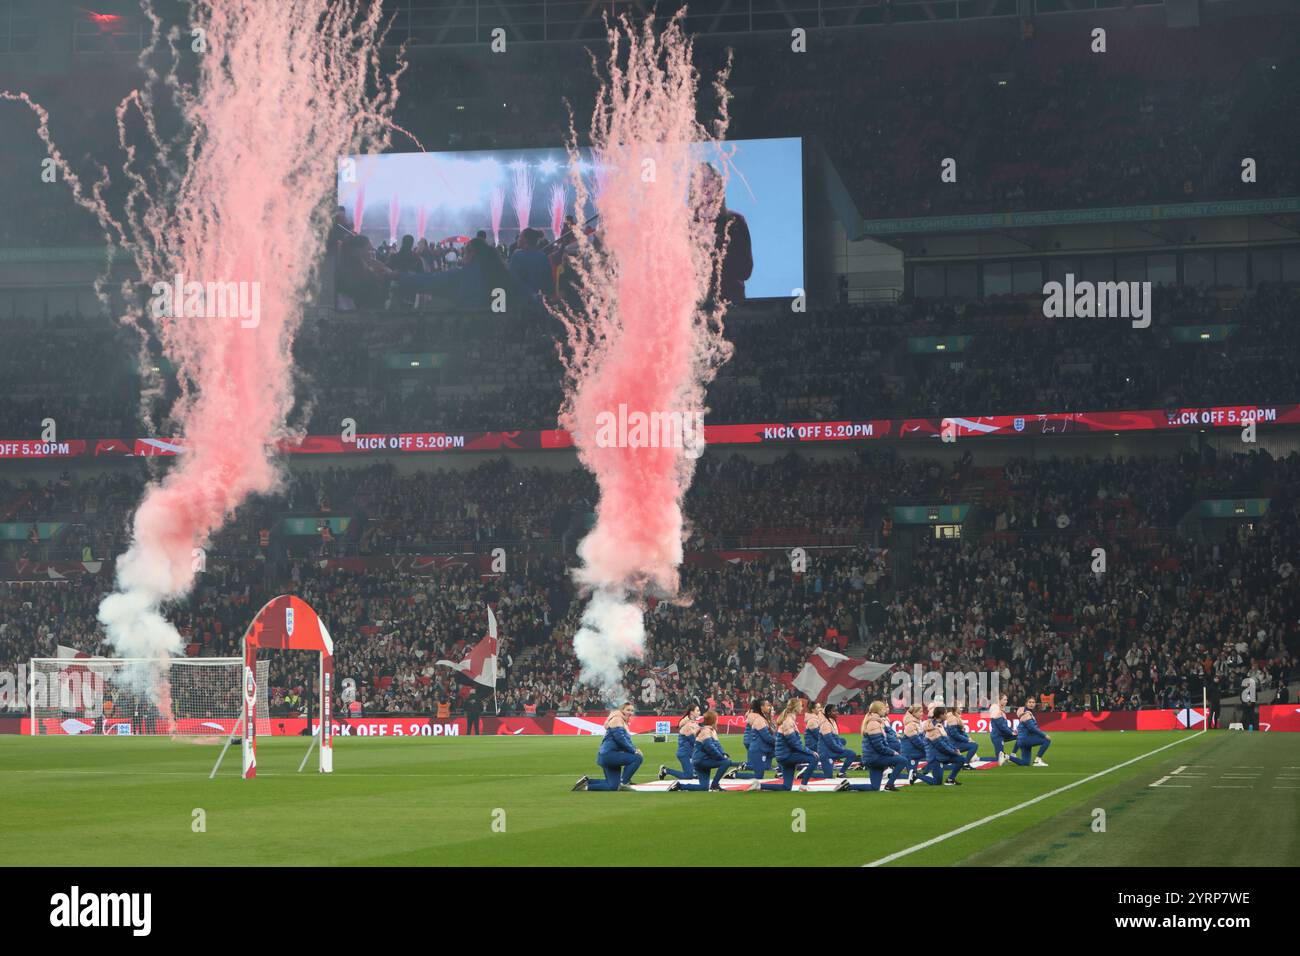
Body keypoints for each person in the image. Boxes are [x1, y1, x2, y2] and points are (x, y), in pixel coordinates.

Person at [760, 698, 838, 791]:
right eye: (801, 705)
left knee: (786, 787)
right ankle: (803, 785)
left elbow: (794, 743)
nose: (802, 707)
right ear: (796, 708)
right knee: (814, 758)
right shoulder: (788, 721)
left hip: (784, 755)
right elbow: (795, 744)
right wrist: (810, 752)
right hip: (786, 756)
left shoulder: (789, 719)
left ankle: (759, 786)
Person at [574, 702, 647, 791]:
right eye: (628, 710)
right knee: (637, 758)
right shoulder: (618, 719)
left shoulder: (620, 720)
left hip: (607, 755)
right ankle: (624, 783)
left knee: (613, 786)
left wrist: (634, 748)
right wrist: (634, 750)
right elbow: (620, 739)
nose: (630, 712)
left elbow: (624, 740)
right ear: (622, 710)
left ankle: (586, 784)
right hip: (609, 755)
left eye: (632, 710)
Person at [677, 710, 742, 791]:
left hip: (700, 760)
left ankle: (679, 786)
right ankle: (715, 785)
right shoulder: (706, 731)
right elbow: (710, 747)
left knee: (704, 787)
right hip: (702, 761)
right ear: (713, 720)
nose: (717, 721)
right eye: (716, 719)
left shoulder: (709, 730)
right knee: (726, 762)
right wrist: (721, 758)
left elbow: (717, 745)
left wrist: (723, 753)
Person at [853, 700, 909, 791]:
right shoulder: (874, 723)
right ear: (878, 710)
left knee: (874, 788)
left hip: (872, 758)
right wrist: (892, 752)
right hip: (875, 758)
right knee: (903, 760)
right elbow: (878, 746)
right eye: (883, 709)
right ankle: (890, 785)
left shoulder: (874, 721)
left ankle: (848, 786)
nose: (885, 711)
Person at [733, 698, 776, 779]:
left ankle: (740, 768)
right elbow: (766, 737)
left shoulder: (762, 718)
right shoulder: (759, 719)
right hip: (757, 747)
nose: (770, 708)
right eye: (768, 706)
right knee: (758, 773)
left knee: (760, 770)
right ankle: (735, 771)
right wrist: (779, 743)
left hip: (759, 747)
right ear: (761, 707)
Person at [921, 707, 965, 786]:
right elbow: (941, 746)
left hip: (942, 755)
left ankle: (950, 779)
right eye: (945, 713)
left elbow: (946, 741)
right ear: (941, 715)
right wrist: (954, 752)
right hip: (936, 757)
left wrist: (954, 749)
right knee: (937, 783)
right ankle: (915, 774)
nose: (947, 715)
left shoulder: (938, 725)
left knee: (961, 759)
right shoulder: (933, 729)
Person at [659, 704, 702, 781]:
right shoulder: (688, 725)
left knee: (695, 772)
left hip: (689, 752)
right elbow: (693, 741)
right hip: (685, 753)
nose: (699, 712)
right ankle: (666, 770)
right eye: (697, 711)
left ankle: (695, 772)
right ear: (692, 712)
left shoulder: (693, 723)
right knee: (688, 776)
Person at [1005, 697, 1051, 767]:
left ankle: (1006, 756)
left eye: (1033, 702)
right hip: (1026, 739)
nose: (1031, 704)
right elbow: (1032, 728)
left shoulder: (1025, 712)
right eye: (1030, 702)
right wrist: (1044, 735)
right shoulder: (1027, 714)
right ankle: (1037, 760)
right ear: (1026, 703)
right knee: (1047, 740)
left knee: (1025, 762)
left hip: (1022, 741)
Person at [817, 704, 859, 778]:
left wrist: (841, 747)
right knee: (828, 776)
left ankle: (841, 773)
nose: (837, 712)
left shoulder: (832, 721)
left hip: (833, 751)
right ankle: (804, 774)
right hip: (826, 754)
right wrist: (841, 749)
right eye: (835, 711)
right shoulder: (825, 724)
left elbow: (835, 739)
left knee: (851, 754)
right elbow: (830, 743)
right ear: (829, 713)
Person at [900, 704, 929, 783]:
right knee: (934, 754)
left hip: (913, 751)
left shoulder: (916, 722)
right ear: (914, 713)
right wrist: (928, 748)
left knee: (912, 775)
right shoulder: (911, 724)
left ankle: (924, 771)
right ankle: (925, 771)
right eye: (920, 712)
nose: (922, 713)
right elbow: (917, 742)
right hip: (911, 753)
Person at [988, 693, 1017, 765]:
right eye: (1004, 700)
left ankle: (1013, 754)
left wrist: (1012, 730)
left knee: (1020, 736)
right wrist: (1011, 733)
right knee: (998, 759)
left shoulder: (1001, 710)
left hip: (1001, 735)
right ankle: (977, 759)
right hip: (997, 736)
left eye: (1006, 699)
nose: (1006, 701)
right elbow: (1002, 726)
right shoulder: (996, 709)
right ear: (999, 700)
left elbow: (1005, 726)